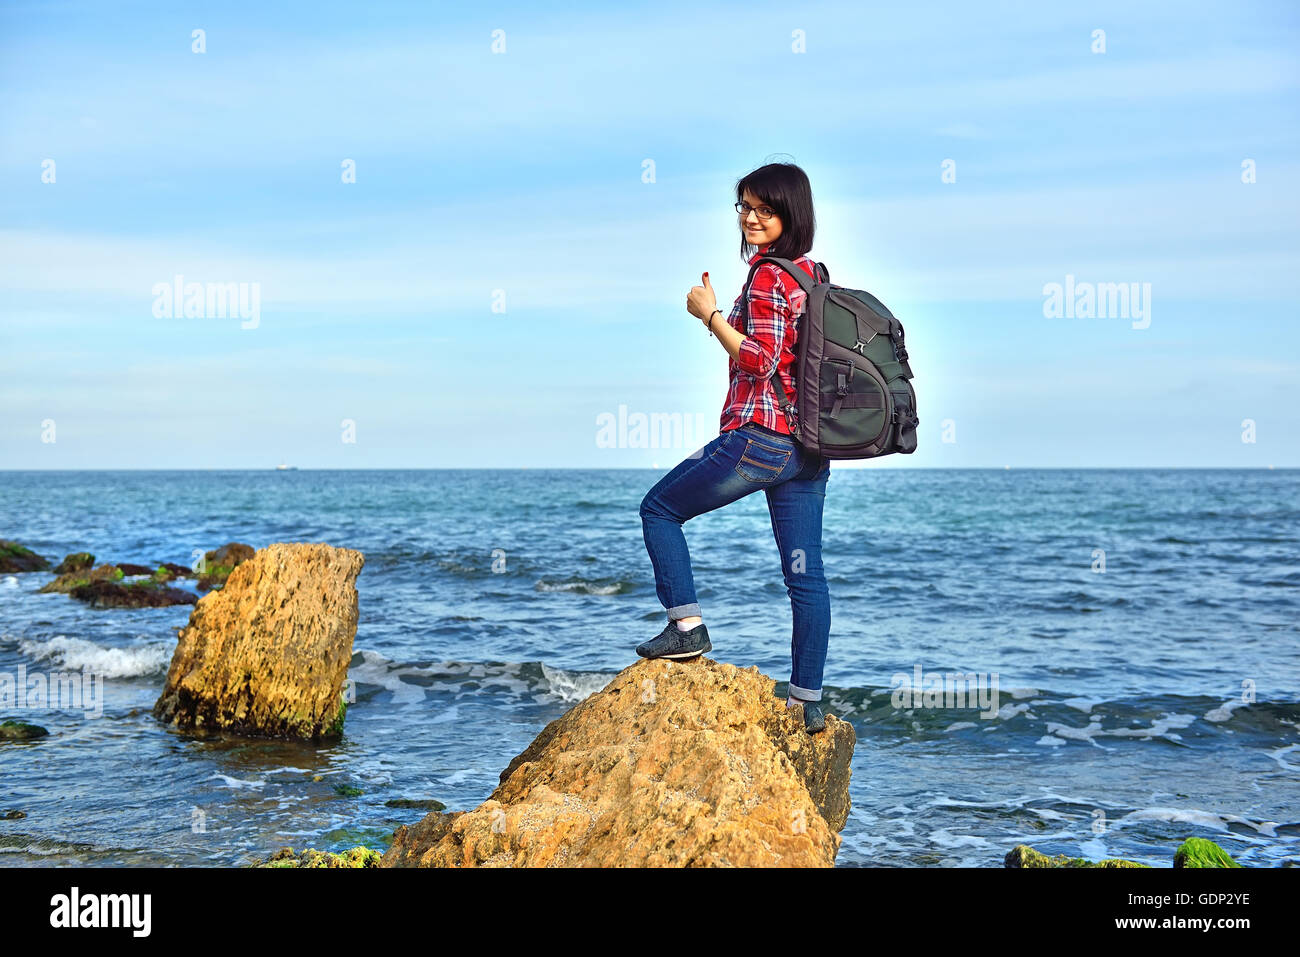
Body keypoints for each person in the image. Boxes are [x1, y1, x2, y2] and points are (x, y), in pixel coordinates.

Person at [636, 161, 832, 733]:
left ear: (789, 214)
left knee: (659, 509)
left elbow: (760, 359)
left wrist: (711, 315)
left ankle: (688, 627)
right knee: (806, 575)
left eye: (763, 209)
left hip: (762, 438)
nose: (749, 217)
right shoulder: (812, 274)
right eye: (743, 207)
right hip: (808, 449)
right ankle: (806, 701)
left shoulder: (770, 277)